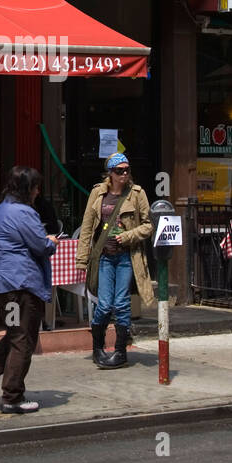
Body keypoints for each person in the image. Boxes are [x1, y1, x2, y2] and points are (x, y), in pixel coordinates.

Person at [0, 166, 58, 414]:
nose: (39, 192)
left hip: (0, 285)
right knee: (23, 340)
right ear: (29, 189)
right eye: (37, 187)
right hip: (19, 285)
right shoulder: (24, 213)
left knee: (16, 333)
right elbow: (40, 246)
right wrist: (51, 241)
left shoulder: (0, 210)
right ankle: (12, 396)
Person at [75, 152, 156, 369]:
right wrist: (82, 261)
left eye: (127, 169)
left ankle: (120, 352)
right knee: (103, 305)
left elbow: (149, 225)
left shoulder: (137, 194)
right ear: (110, 173)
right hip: (104, 257)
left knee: (121, 304)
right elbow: (86, 227)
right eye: (119, 170)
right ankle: (98, 349)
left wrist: (128, 236)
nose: (124, 174)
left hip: (126, 257)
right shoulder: (97, 193)